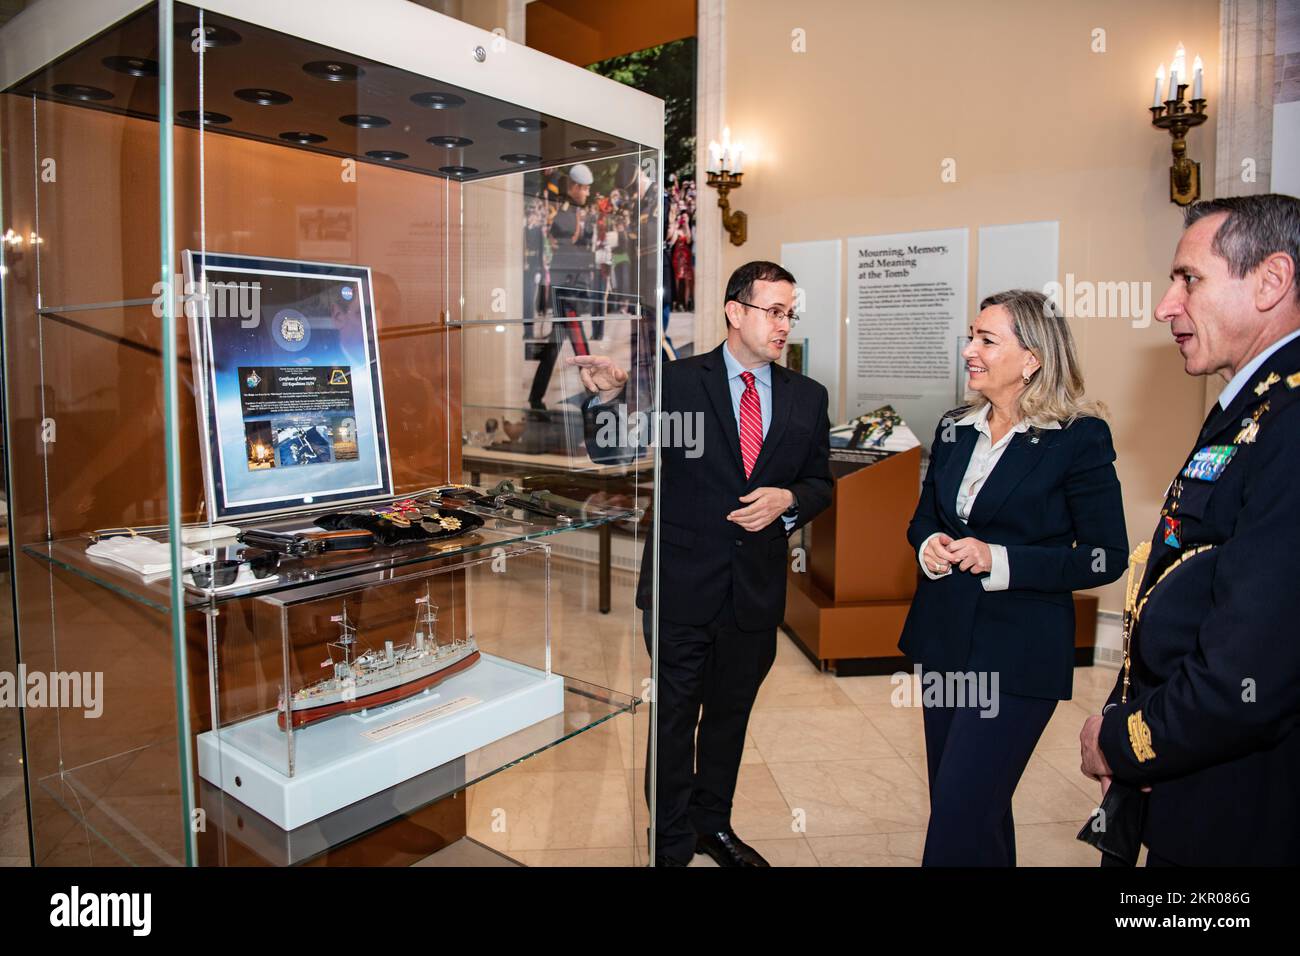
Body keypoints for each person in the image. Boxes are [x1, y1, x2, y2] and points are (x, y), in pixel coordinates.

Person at [570, 261, 833, 866]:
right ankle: (670, 846)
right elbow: (614, 451)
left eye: (790, 313)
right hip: (679, 590)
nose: (783, 325)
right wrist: (609, 396)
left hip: (754, 594)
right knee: (673, 724)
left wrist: (788, 500)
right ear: (735, 311)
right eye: (772, 311)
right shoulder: (677, 383)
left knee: (729, 720)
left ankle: (713, 826)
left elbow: (819, 481)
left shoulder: (807, 397)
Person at [1079, 193, 1300, 866]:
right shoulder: (1255, 405)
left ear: (1270, 281)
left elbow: (1251, 672)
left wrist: (1123, 741)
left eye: (1190, 279)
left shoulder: (1289, 422)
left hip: (1250, 797)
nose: (1165, 305)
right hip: (1203, 768)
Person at [900, 289, 1127, 866]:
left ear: (1032, 358)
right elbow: (927, 513)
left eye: (986, 339)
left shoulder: (1079, 438)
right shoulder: (955, 427)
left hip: (1019, 652)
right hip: (944, 639)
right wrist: (929, 542)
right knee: (976, 808)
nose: (969, 350)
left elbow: (1105, 555)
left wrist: (999, 559)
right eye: (971, 336)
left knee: (959, 807)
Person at [528, 163, 599, 411]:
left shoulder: (576, 211)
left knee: (554, 347)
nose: (588, 193)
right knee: (581, 346)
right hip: (567, 289)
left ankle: (535, 398)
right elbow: (569, 246)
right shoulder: (566, 213)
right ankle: (593, 396)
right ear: (575, 187)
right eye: (585, 189)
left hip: (571, 287)